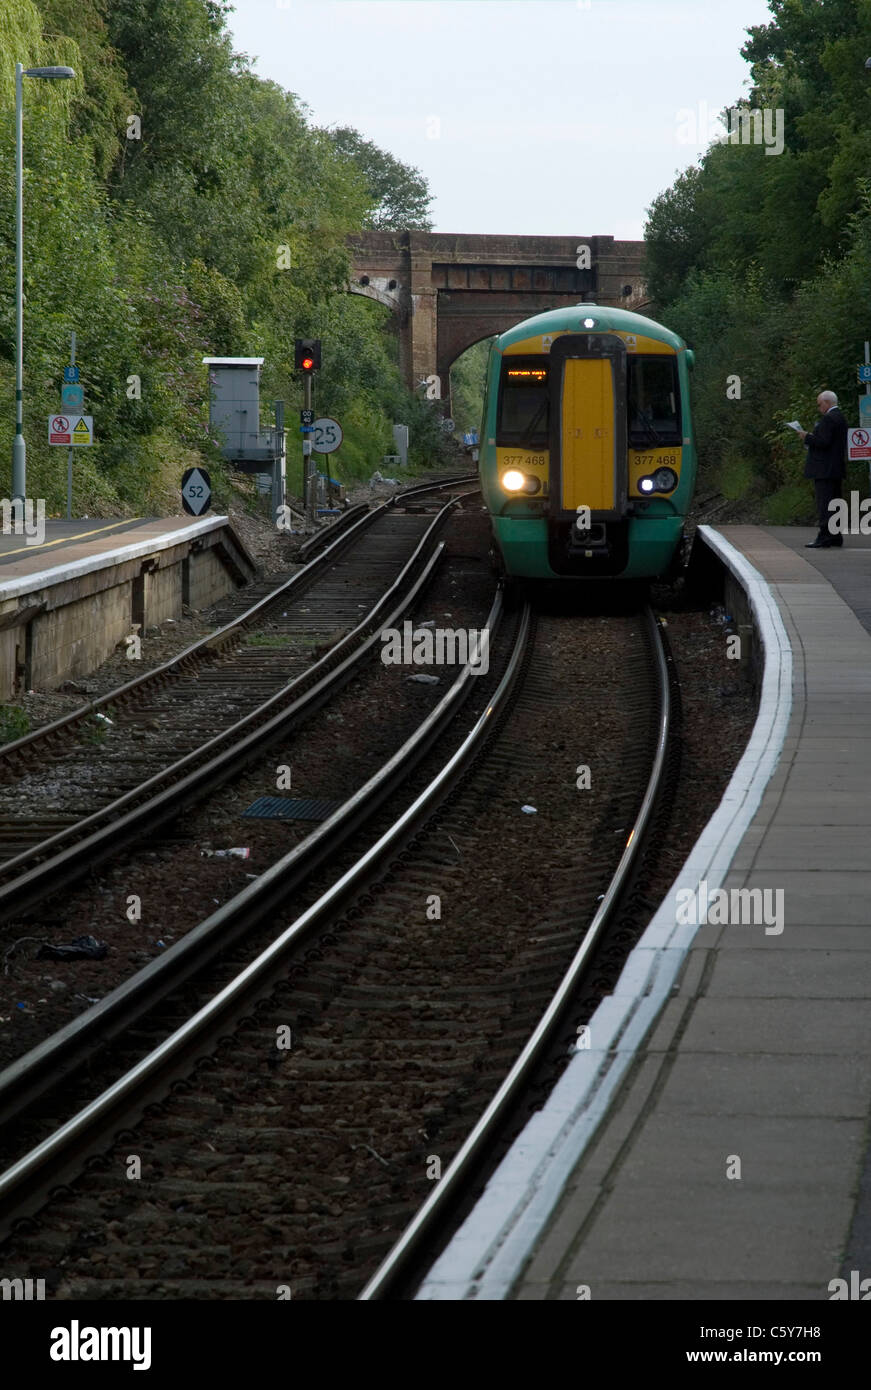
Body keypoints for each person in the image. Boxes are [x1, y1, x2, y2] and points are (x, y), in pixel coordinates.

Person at [798, 390, 847, 548]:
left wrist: (807, 437)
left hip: (824, 469)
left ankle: (824, 536)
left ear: (826, 403)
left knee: (825, 504)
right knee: (835, 503)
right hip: (836, 468)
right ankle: (836, 536)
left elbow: (823, 442)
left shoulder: (828, 419)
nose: (819, 408)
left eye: (820, 404)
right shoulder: (840, 417)